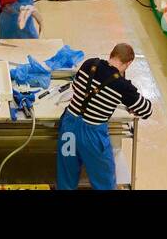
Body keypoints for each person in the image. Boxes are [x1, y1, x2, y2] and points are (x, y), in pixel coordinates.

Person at [56, 44, 153, 191]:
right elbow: (146, 110)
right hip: (92, 136)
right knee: (104, 181)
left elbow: (76, 87)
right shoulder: (123, 86)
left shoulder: (90, 64)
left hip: (69, 128)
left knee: (66, 177)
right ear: (128, 63)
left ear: (111, 54)